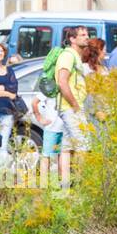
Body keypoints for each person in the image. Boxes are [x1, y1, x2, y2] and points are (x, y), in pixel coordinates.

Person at [49, 25, 92, 190]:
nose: (86, 37)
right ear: (72, 39)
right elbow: (62, 81)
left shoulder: (75, 56)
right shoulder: (68, 56)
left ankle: (65, 186)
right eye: (82, 34)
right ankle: (80, 184)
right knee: (83, 145)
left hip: (70, 107)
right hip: (71, 107)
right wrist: (75, 105)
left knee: (67, 148)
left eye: (87, 34)